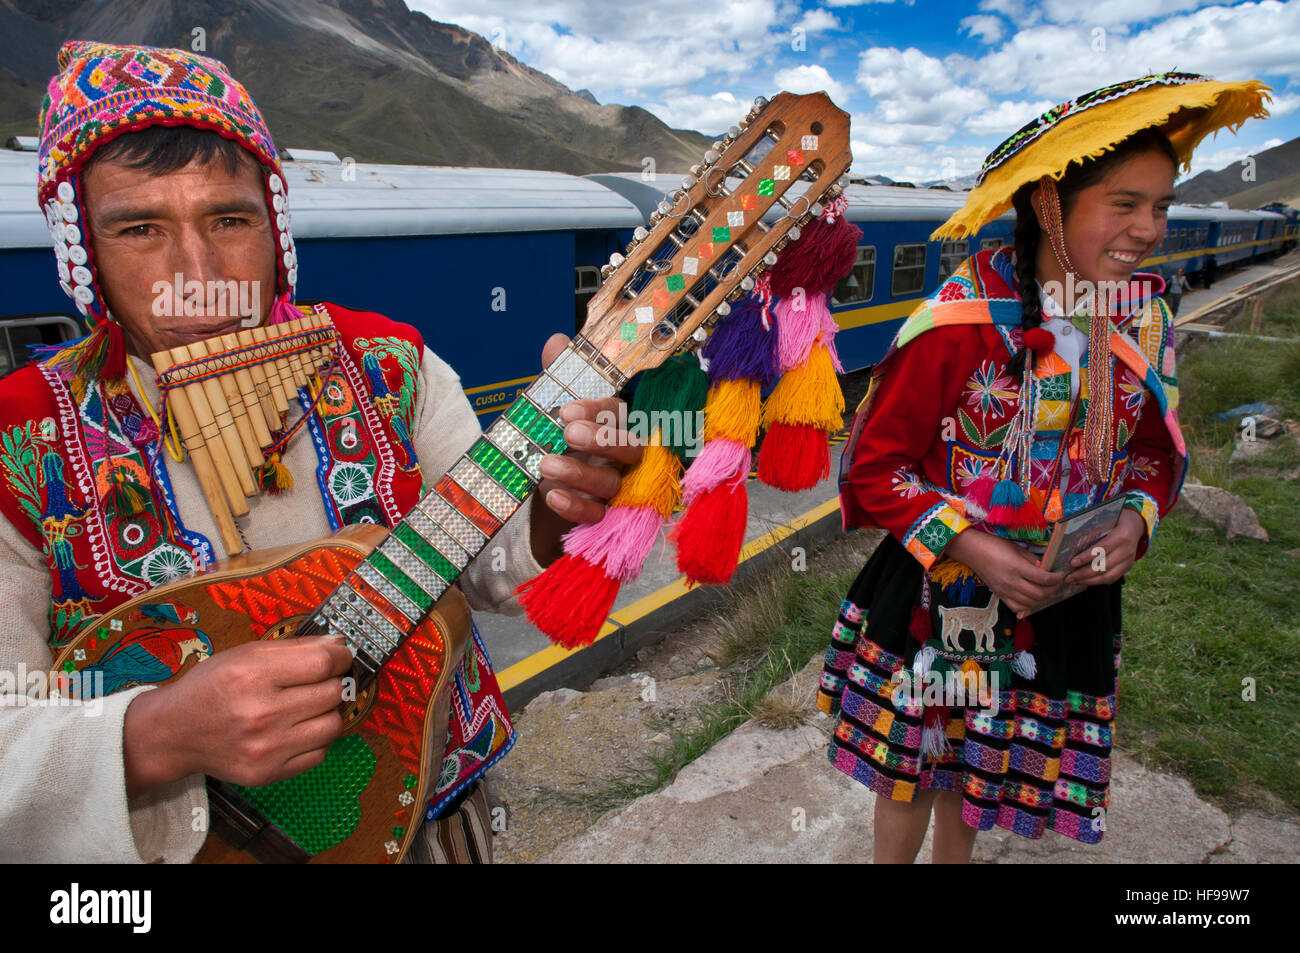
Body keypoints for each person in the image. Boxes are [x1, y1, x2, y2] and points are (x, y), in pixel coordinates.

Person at [0, 41, 641, 863]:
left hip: (420, 816)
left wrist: (560, 504)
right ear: (83, 251)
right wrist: (151, 737)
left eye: (229, 219)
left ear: (275, 226)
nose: (195, 275)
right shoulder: (21, 440)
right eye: (139, 228)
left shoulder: (390, 364)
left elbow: (491, 567)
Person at [818, 73, 1269, 863]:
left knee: (977, 768)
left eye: (1161, 206)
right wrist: (979, 547)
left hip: (1063, 601)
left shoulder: (1145, 320)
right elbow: (873, 467)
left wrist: (1135, 518)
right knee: (915, 770)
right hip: (945, 592)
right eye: (1124, 203)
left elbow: (1159, 453)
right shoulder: (960, 325)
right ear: (1050, 206)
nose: (1149, 228)